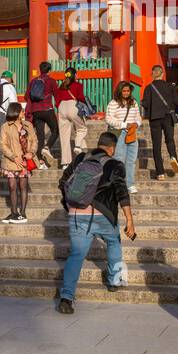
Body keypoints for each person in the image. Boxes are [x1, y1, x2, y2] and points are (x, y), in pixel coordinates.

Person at [56, 131, 135, 314]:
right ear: (112, 148)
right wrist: (129, 220)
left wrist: (70, 205)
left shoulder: (81, 158)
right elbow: (122, 192)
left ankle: (66, 298)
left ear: (98, 144)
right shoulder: (115, 164)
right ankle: (114, 280)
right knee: (113, 241)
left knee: (76, 255)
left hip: (76, 215)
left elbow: (63, 181)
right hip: (103, 215)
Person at [141, 64, 178, 180]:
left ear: (152, 74)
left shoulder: (149, 88)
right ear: (162, 74)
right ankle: (173, 157)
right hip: (168, 116)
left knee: (156, 145)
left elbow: (145, 104)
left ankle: (160, 173)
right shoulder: (170, 86)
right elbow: (175, 101)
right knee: (169, 140)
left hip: (154, 118)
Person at [0, 102, 36, 223]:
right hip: (11, 161)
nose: (23, 113)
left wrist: (32, 153)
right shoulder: (5, 126)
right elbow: (2, 144)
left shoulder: (28, 125)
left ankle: (23, 213)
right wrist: (13, 157)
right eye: (21, 111)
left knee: (23, 186)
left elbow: (35, 141)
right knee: (12, 186)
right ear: (16, 112)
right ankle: (14, 212)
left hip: (25, 161)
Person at [104, 81, 142, 194]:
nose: (126, 93)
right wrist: (124, 124)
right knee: (119, 159)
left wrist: (137, 123)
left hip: (132, 133)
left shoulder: (134, 103)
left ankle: (130, 184)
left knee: (131, 160)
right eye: (124, 91)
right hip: (119, 133)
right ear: (120, 91)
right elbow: (108, 119)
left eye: (128, 91)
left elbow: (138, 116)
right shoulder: (113, 103)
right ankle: (118, 183)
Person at [26, 61, 60, 168]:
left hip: (36, 111)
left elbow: (27, 96)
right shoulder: (51, 81)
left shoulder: (33, 81)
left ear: (40, 69)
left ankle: (40, 161)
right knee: (55, 130)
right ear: (49, 70)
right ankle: (47, 147)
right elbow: (57, 96)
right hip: (47, 109)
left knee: (40, 136)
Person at [54, 67, 88, 166]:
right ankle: (77, 145)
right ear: (75, 75)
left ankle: (65, 163)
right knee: (82, 128)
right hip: (73, 106)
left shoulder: (61, 86)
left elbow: (57, 100)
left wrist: (60, 108)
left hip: (62, 107)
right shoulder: (78, 85)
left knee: (64, 136)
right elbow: (81, 97)